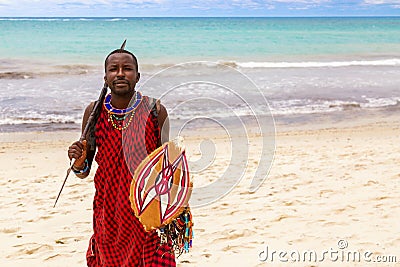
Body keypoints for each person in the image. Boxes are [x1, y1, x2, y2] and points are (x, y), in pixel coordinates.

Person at [67, 46, 175, 266]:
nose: (120, 73)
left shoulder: (156, 110)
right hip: (108, 209)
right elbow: (83, 171)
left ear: (137, 76)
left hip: (145, 207)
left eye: (127, 68)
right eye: (113, 69)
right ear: (105, 77)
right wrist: (78, 161)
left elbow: (167, 165)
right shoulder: (94, 112)